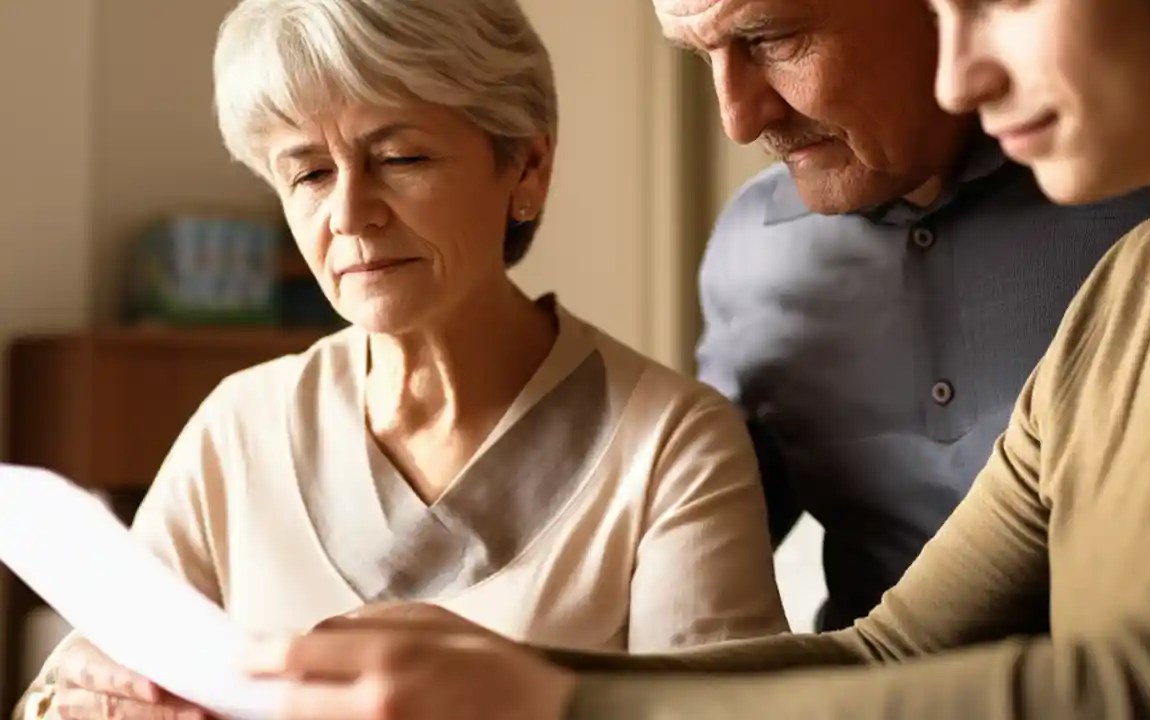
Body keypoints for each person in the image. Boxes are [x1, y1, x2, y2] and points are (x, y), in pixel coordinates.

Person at [243, 0, 1150, 717]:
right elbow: (894, 644)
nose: (960, 71)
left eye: (999, 2)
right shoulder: (1133, 287)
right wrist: (492, 672)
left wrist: (554, 702)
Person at [14, 1, 790, 719]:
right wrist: (87, 697)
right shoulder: (239, 427)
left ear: (527, 166)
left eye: (400, 158)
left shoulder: (673, 446)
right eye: (310, 173)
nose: (349, 214)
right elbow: (71, 687)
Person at [688, 0, 1150, 628]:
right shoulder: (750, 244)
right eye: (703, 56)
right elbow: (700, 546)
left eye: (772, 39)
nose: (739, 121)